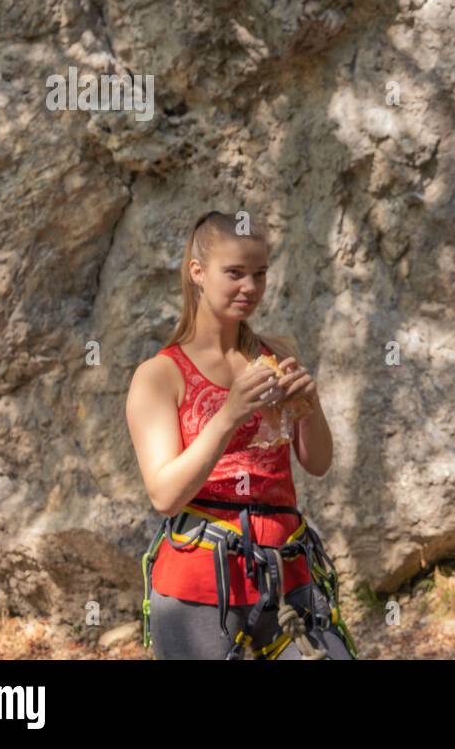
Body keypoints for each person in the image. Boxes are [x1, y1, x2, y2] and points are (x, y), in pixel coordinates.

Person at [126, 210, 356, 659]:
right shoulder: (160, 375)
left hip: (286, 575)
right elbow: (165, 495)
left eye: (259, 274)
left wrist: (310, 407)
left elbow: (317, 462)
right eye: (234, 273)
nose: (249, 288)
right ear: (197, 272)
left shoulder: (277, 354)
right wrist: (229, 414)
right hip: (197, 584)